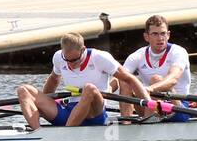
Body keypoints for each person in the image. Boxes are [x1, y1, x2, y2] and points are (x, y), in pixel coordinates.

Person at [15, 32, 150, 130]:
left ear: (83, 49)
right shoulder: (58, 57)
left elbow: (130, 79)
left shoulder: (100, 57)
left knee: (89, 88)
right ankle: (38, 133)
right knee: (23, 90)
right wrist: (45, 102)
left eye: (74, 60)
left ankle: (67, 133)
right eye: (67, 60)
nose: (71, 64)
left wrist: (150, 106)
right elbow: (53, 79)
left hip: (94, 113)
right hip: (68, 111)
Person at [121, 15, 192, 123]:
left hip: (178, 108)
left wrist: (151, 89)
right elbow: (118, 76)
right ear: (146, 37)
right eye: (155, 34)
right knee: (125, 80)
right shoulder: (137, 56)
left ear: (168, 35)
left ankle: (149, 124)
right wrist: (106, 91)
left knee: (156, 79)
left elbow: (173, 79)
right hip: (151, 105)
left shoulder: (178, 52)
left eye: (163, 33)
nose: (160, 38)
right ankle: (125, 125)